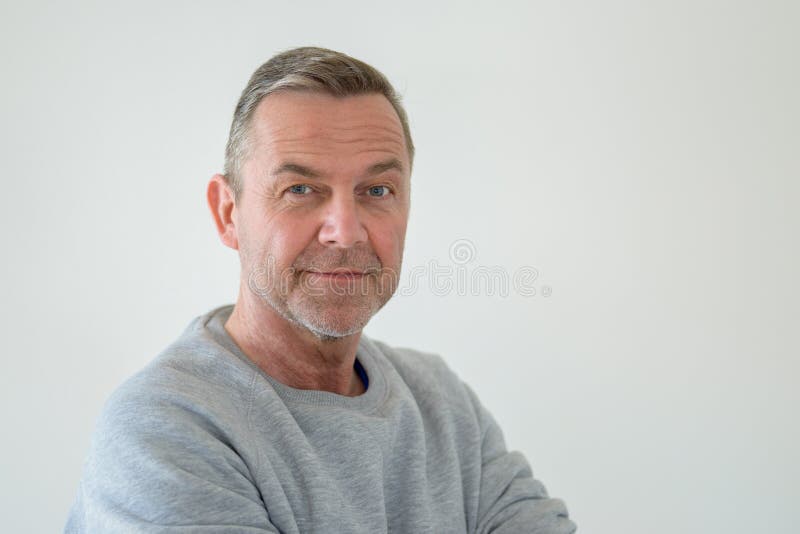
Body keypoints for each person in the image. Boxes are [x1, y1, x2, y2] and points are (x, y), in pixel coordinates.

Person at [65, 47, 577, 533]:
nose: (346, 230)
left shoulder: (442, 402)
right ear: (228, 214)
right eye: (301, 190)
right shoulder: (166, 429)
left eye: (377, 191)